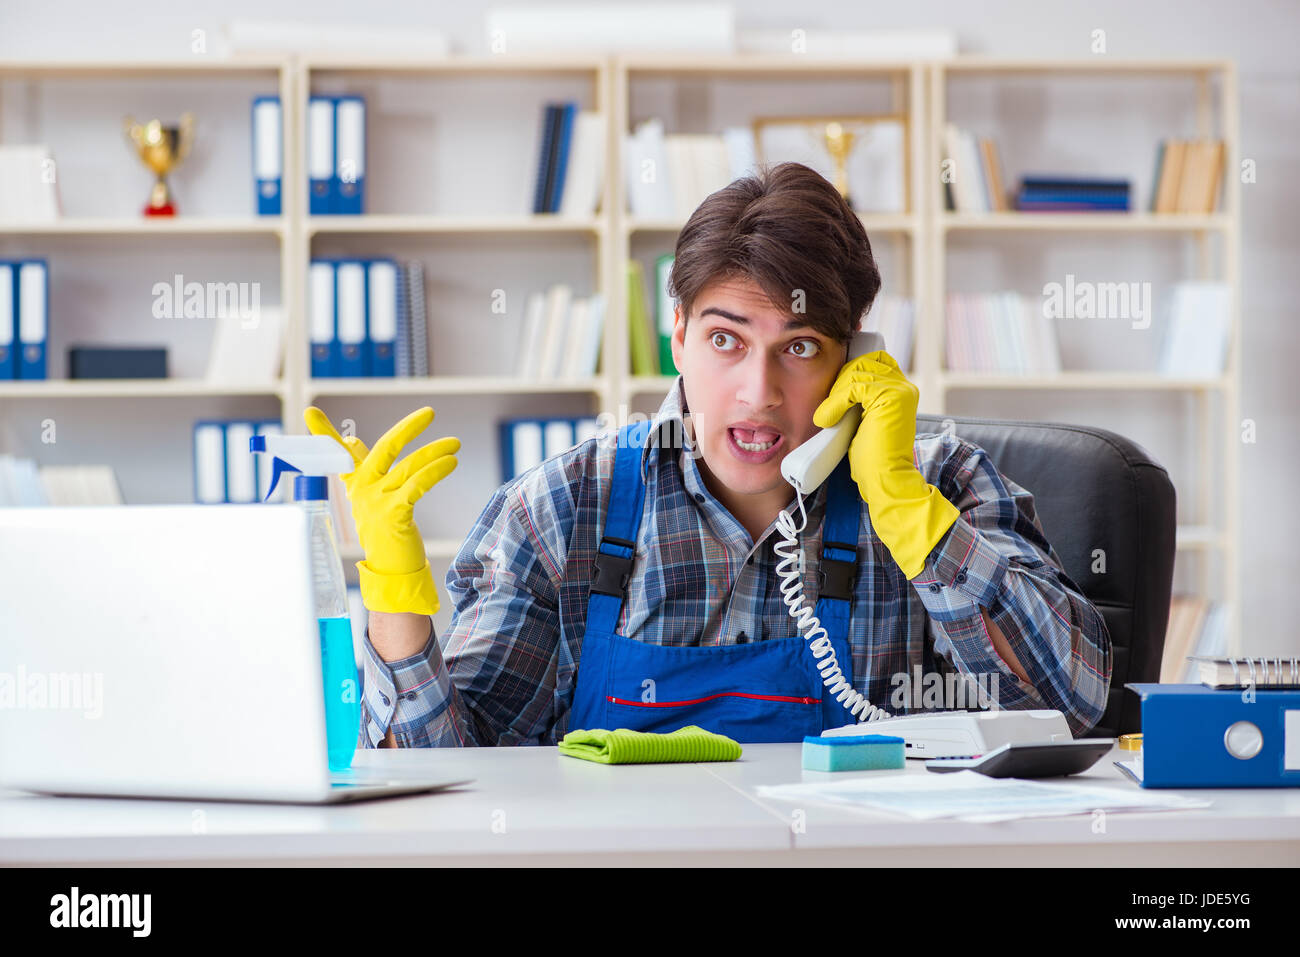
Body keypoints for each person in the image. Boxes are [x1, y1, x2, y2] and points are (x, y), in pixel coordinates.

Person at [306, 161, 1111, 749]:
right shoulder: (561, 508)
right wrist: (398, 617)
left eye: (798, 346)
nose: (758, 392)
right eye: (726, 339)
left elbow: (1077, 707)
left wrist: (912, 517)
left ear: (854, 355)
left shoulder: (940, 484)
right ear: (679, 334)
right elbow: (456, 788)